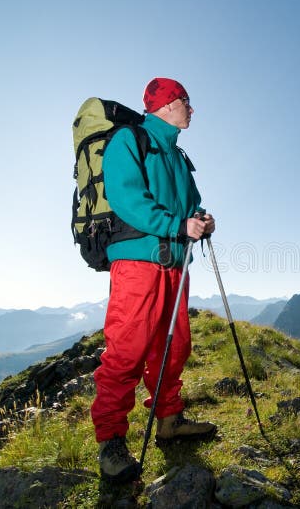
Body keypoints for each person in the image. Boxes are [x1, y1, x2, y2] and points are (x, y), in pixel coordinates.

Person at [90, 77, 217, 483]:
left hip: (175, 263)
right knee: (127, 350)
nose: (191, 108)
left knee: (174, 346)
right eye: (185, 101)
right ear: (164, 105)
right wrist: (177, 225)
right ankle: (111, 442)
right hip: (138, 263)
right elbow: (127, 200)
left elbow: (192, 205)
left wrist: (202, 220)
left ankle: (169, 419)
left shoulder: (178, 155)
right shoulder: (129, 140)